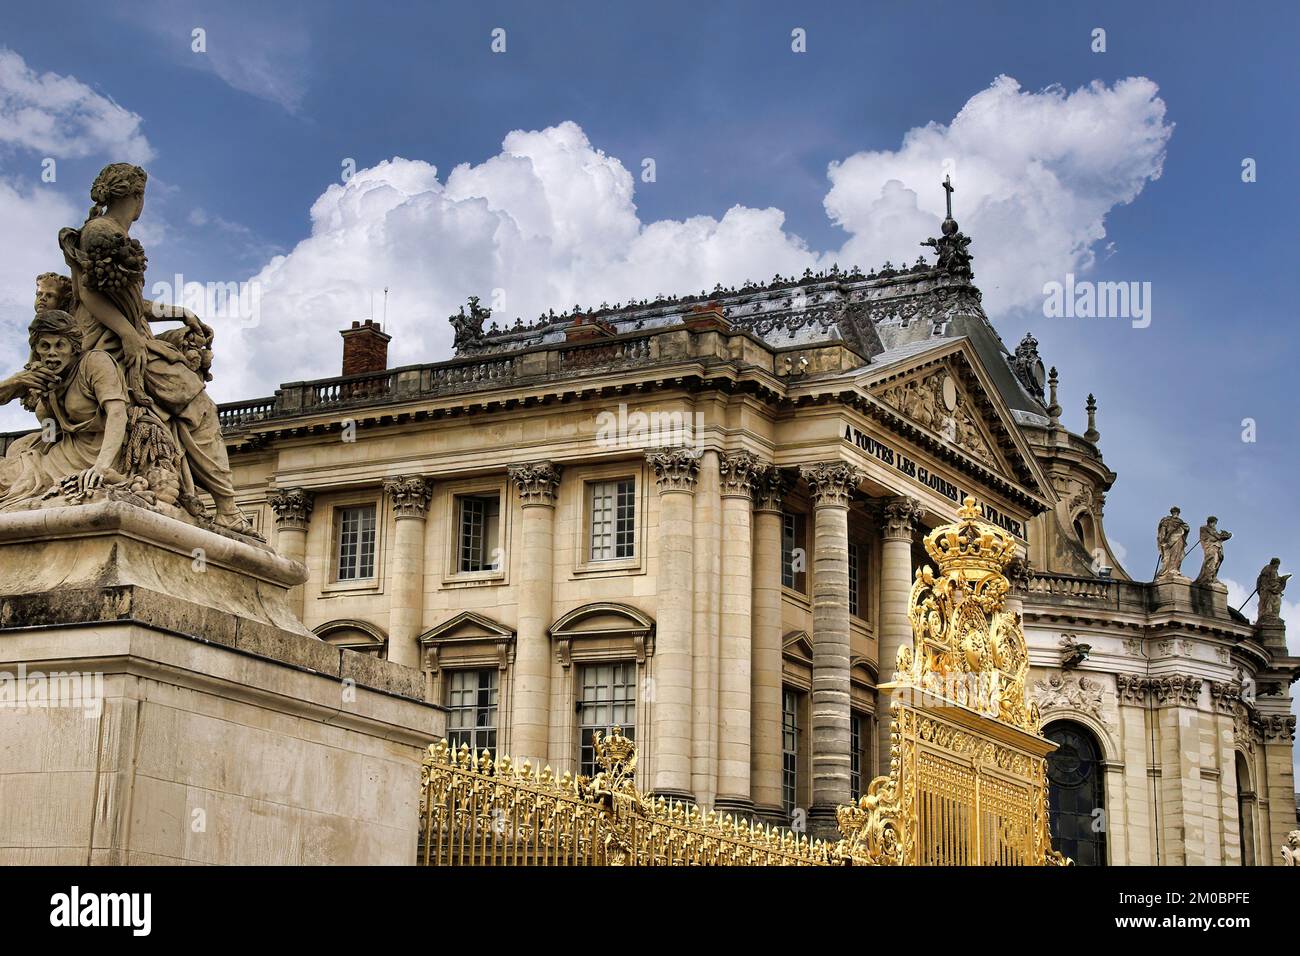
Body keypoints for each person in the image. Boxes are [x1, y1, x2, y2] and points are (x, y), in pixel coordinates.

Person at [58, 163, 247, 531]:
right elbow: (89, 295)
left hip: (126, 334)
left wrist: (180, 313)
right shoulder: (100, 233)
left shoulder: (106, 232)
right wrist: (128, 335)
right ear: (137, 197)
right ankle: (226, 506)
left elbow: (132, 303)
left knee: (185, 364)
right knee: (196, 402)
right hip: (107, 340)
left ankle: (205, 496)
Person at [0, 311, 128, 510]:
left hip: (96, 453)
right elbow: (51, 436)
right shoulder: (44, 377)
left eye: (60, 345)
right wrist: (16, 381)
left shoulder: (95, 362)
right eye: (45, 346)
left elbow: (118, 413)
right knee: (15, 453)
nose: (52, 352)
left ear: (73, 348)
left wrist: (102, 465)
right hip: (62, 452)